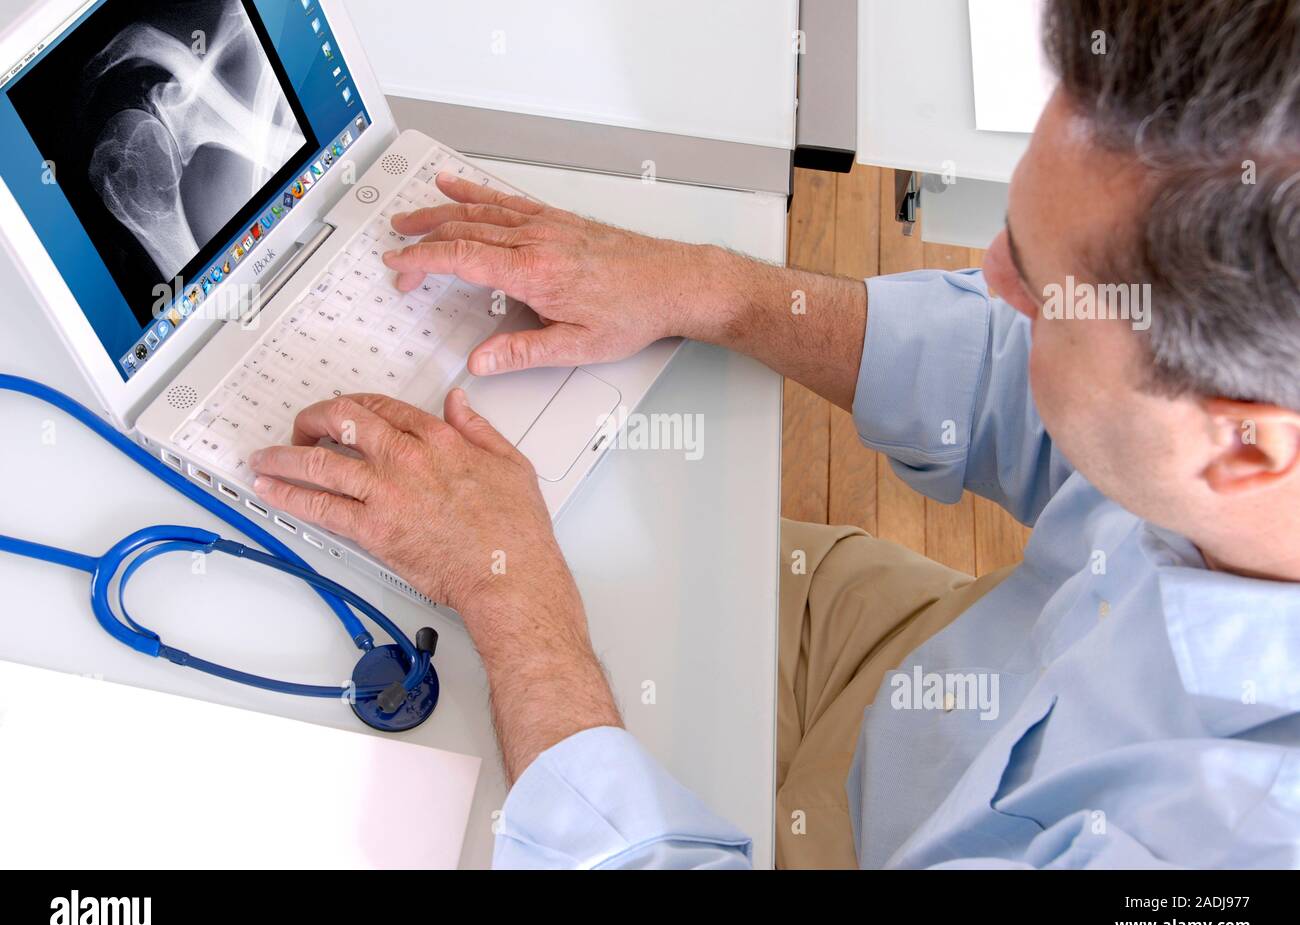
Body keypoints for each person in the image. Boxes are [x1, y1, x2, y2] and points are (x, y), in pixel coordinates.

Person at [248, 0, 1300, 868]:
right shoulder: (1229, 431)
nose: (986, 278)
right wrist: (710, 287)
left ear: (1245, 448)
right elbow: (1003, 383)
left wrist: (512, 602)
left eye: (1036, 282)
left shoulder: (1213, 852)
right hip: (932, 663)